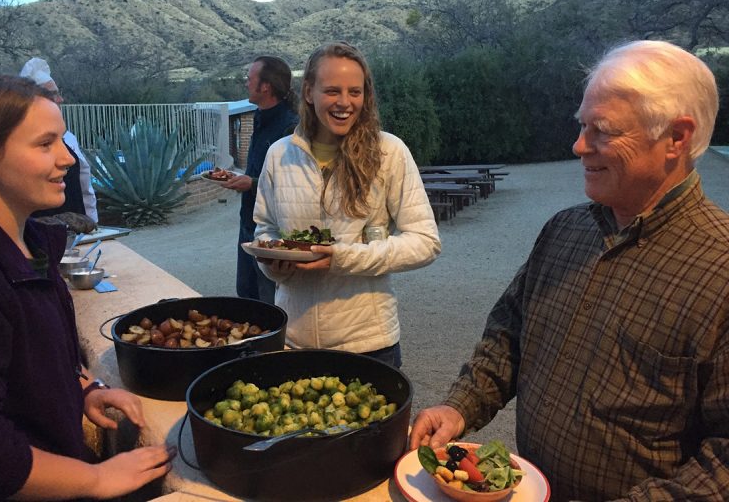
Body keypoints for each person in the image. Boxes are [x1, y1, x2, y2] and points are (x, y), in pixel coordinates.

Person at [409, 40, 729, 500]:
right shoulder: (565, 230)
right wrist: (461, 406)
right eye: (582, 126)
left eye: (602, 131)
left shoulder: (719, 266)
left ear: (676, 138)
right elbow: (508, 335)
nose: (579, 146)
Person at [0, 70, 175, 501]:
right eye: (45, 144)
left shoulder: (29, 243)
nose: (67, 158)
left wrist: (82, 388)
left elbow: (25, 366)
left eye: (62, 140)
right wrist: (97, 479)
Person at [253, 41, 441, 367]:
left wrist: (342, 258)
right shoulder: (279, 155)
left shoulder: (389, 152)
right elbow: (265, 229)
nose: (345, 102)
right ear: (309, 92)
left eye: (355, 91)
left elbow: (425, 243)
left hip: (369, 344)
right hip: (294, 342)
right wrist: (271, 262)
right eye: (332, 91)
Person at [219, 55, 298, 303]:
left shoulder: (292, 126)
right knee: (246, 295)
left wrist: (250, 183)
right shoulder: (260, 117)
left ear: (266, 86)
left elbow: (294, 186)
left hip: (272, 230)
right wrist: (242, 178)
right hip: (248, 224)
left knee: (269, 303)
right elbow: (261, 171)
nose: (245, 83)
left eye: (249, 78)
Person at [20, 57, 99, 224]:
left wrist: (93, 223)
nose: (60, 100)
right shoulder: (19, 144)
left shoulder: (69, 138)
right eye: (53, 94)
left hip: (77, 232)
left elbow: (85, 187)